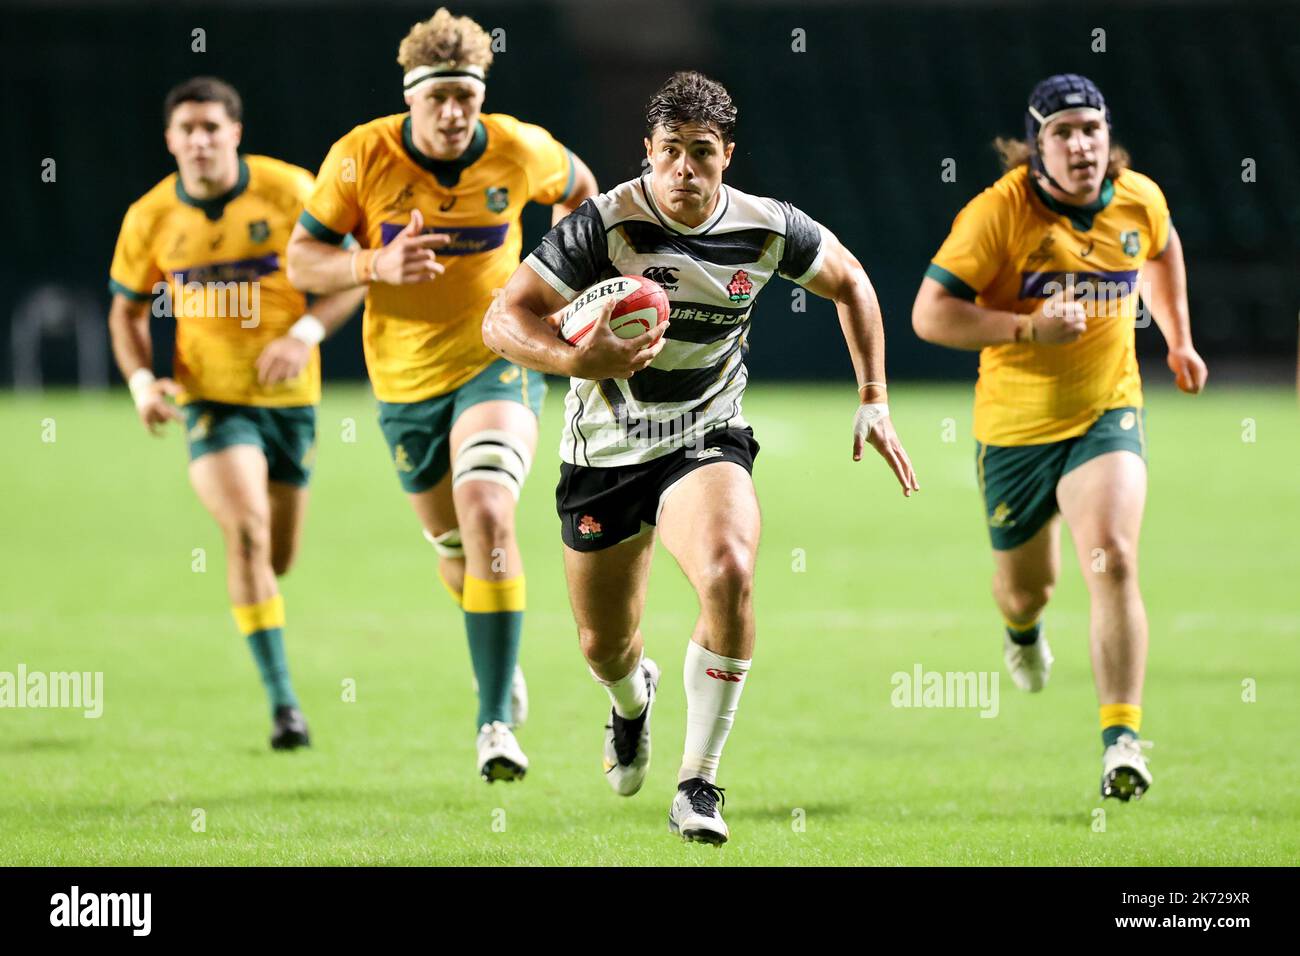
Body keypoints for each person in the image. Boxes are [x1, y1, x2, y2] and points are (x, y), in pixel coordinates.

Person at [484, 71, 918, 843]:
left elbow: (851, 282)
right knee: (605, 647)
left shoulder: (767, 227)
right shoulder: (604, 224)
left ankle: (699, 783)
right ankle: (630, 702)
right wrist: (573, 359)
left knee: (729, 571)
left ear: (728, 156)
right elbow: (502, 319)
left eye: (703, 153)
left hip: (703, 434)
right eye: (671, 152)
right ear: (647, 152)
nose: (686, 169)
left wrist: (875, 398)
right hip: (605, 451)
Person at [285, 8, 598, 781]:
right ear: (410, 97)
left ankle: (493, 723)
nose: (455, 113)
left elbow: (581, 189)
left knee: (488, 509)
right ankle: (497, 655)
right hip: (401, 384)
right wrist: (372, 269)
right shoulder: (361, 157)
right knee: (457, 550)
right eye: (439, 98)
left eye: (468, 94)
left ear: (482, 92)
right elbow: (300, 261)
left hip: (499, 360)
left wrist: (560, 292)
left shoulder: (520, 148)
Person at [911, 73, 1208, 800]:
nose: (1081, 144)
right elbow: (929, 314)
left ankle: (1122, 741)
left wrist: (1178, 338)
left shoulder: (1139, 198)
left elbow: (1162, 251)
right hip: (1014, 429)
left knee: (1113, 559)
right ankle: (1021, 631)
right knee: (1026, 590)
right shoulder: (997, 214)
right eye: (1063, 132)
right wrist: (1026, 327)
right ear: (1035, 145)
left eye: (1091, 130)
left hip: (1106, 412)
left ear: (1108, 140)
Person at [107, 76, 365, 749]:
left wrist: (302, 335)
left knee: (276, 557)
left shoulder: (289, 191)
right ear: (170, 140)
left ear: (235, 133)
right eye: (186, 129)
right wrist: (141, 382)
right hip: (212, 400)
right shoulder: (150, 216)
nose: (198, 140)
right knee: (246, 531)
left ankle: (262, 621)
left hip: (291, 404)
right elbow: (127, 310)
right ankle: (285, 707)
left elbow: (351, 275)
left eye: (211, 128)